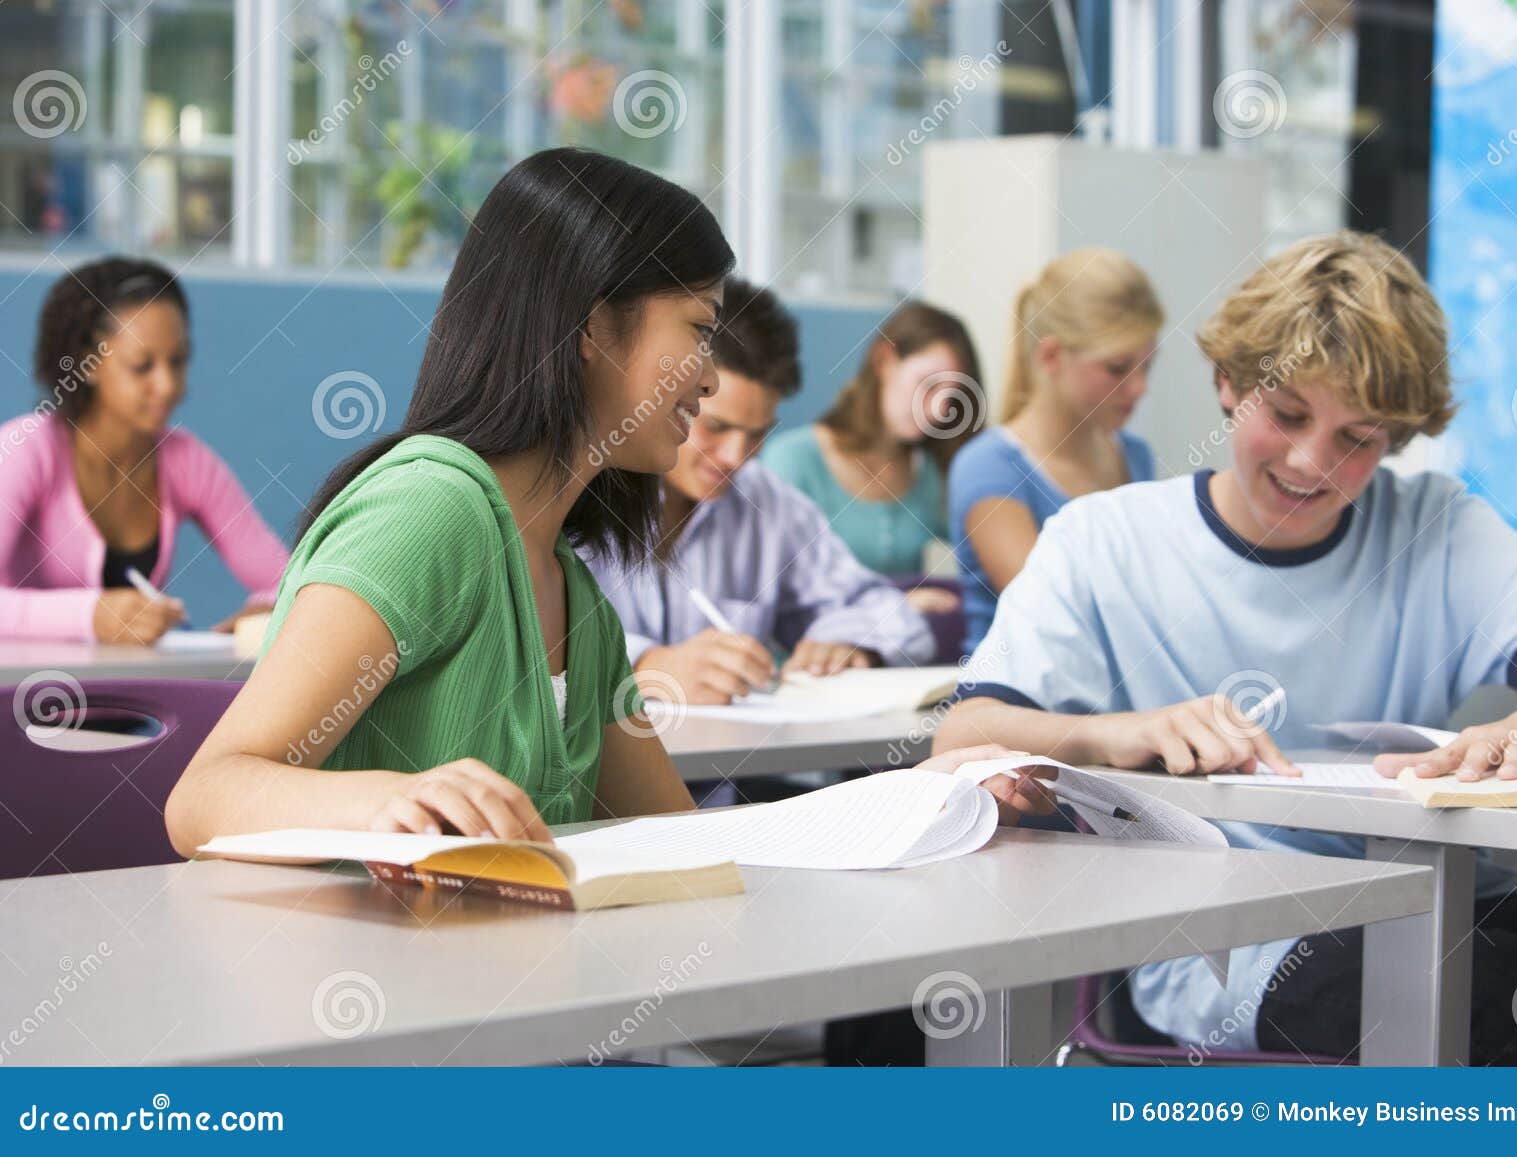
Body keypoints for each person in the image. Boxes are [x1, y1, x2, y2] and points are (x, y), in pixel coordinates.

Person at [165, 151, 1048, 859]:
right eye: (699, 329)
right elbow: (203, 796)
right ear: (593, 326)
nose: (708, 374)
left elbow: (690, 844)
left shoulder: (571, 593)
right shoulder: (428, 511)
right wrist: (389, 800)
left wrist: (927, 795)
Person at [935, 230, 1517, 1064]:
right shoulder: (1103, 540)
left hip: (1430, 895)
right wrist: (1113, 731)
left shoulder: (1433, 525)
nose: (1310, 462)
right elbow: (962, 736)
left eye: (1359, 438)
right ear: (1227, 383)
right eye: (1285, 414)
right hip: (1226, 948)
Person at [584, 277, 936, 708]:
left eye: (756, 435)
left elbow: (887, 609)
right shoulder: (580, 494)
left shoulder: (768, 506)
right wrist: (646, 666)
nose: (735, 456)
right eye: (715, 426)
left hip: (727, 774)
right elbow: (529, 652)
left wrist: (849, 641)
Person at [0, 257, 288, 643]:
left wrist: (264, 615)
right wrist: (91, 615)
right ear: (87, 365)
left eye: (178, 361)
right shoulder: (26, 449)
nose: (168, 385)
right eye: (142, 366)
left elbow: (289, 582)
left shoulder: (188, 462)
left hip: (126, 698)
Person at [948, 248, 1163, 654]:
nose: (1139, 389)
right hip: (1014, 708)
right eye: (1117, 368)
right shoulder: (988, 469)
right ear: (1051, 356)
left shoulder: (1134, 456)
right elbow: (1051, 613)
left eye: (1147, 367)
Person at [763, 301, 982, 614]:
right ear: (884, 362)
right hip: (808, 658)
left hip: (895, 658)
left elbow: (983, 550)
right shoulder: (792, 461)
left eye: (952, 395)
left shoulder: (929, 473)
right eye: (928, 385)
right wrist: (890, 608)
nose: (939, 410)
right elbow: (777, 598)